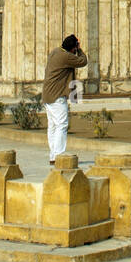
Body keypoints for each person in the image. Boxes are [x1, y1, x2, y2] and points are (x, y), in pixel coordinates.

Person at [41, 34, 88, 164]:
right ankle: (59, 156)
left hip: (47, 94)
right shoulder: (66, 56)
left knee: (53, 126)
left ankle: (53, 155)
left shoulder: (55, 51)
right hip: (56, 96)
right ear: (72, 48)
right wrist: (80, 50)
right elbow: (83, 61)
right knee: (62, 125)